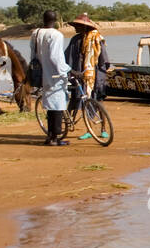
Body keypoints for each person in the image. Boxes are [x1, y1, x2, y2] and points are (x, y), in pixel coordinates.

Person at [64, 13, 111, 140]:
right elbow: (67, 57)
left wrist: (100, 75)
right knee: (83, 101)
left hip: (95, 76)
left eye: (77, 26)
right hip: (80, 75)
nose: (75, 28)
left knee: (98, 102)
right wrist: (71, 72)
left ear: (84, 27)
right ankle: (89, 129)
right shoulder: (75, 40)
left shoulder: (97, 38)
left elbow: (103, 60)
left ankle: (103, 129)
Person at [30, 10, 70, 146]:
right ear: (57, 20)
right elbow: (55, 57)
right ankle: (55, 138)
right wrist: (68, 70)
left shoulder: (35, 34)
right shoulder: (56, 35)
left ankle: (50, 136)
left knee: (50, 105)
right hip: (55, 74)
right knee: (58, 105)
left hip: (41, 73)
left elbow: (33, 55)